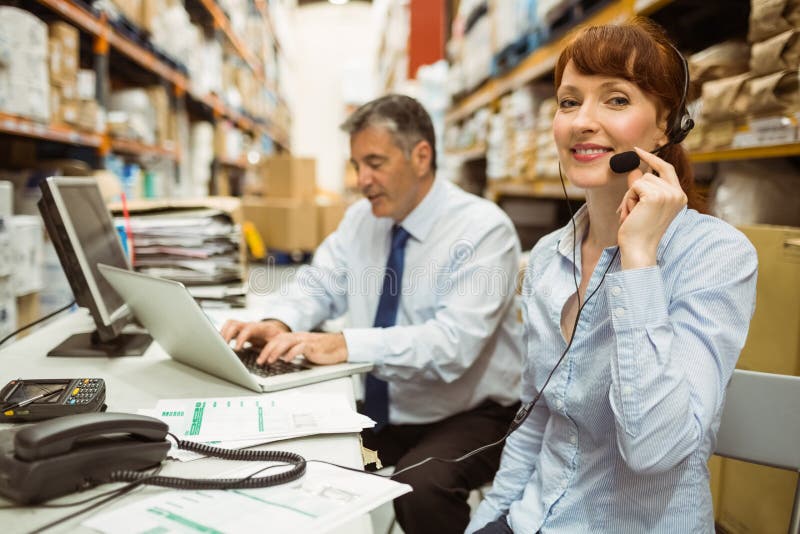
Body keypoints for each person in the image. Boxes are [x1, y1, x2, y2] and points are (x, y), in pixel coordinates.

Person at [467, 18, 758, 534]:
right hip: (536, 515)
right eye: (568, 101)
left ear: (666, 125)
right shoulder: (547, 260)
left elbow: (655, 449)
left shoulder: (716, 255)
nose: (583, 121)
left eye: (616, 100)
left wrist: (638, 259)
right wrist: (490, 519)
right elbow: (536, 420)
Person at [221, 94, 524, 534]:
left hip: (471, 412)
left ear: (421, 156)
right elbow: (320, 282)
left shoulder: (483, 230)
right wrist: (279, 322)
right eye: (356, 164)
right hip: (388, 406)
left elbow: (453, 344)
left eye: (374, 163)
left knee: (420, 485)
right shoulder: (363, 219)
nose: (362, 179)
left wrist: (344, 344)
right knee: (298, 457)